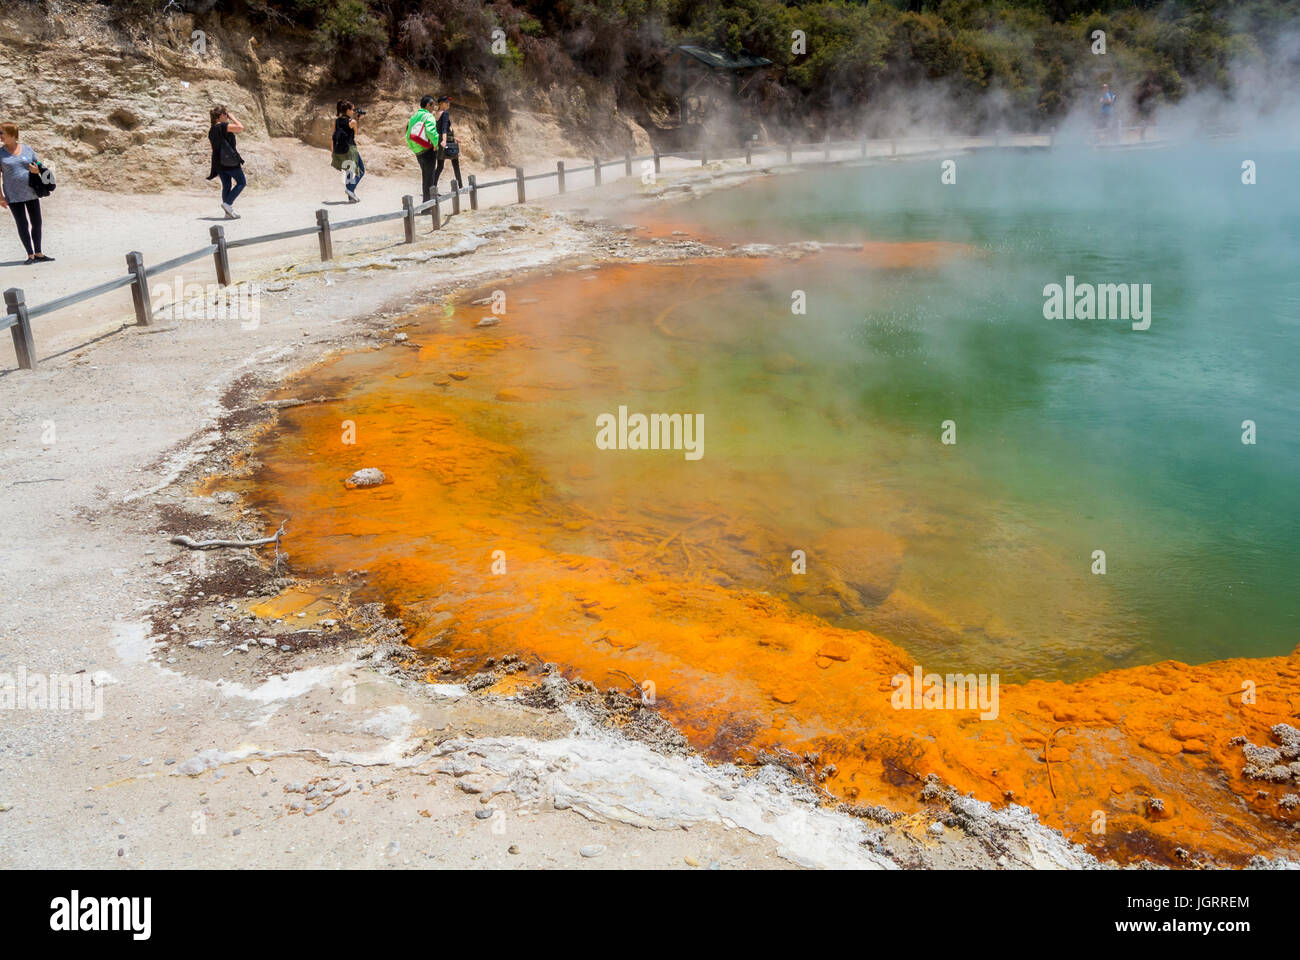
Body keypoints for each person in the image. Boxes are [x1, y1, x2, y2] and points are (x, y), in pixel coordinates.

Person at [0, 122, 52, 264]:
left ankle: (39, 253)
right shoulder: (0, 153)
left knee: (37, 222)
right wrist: (0, 197)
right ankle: (30, 255)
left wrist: (36, 170)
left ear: (12, 134)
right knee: (22, 224)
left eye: (1, 133)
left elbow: (39, 166)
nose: (0, 136)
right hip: (13, 194)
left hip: (31, 192)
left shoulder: (27, 149)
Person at [207, 105, 246, 219]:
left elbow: (212, 148)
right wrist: (233, 118)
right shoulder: (223, 126)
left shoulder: (211, 130)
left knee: (227, 185)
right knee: (241, 182)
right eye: (226, 114)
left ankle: (227, 213)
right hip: (229, 161)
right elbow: (240, 127)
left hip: (218, 162)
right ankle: (227, 204)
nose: (227, 116)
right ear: (220, 116)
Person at [406, 95, 440, 204]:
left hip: (418, 152)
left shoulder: (413, 117)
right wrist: (436, 145)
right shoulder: (428, 116)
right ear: (427, 105)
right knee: (429, 179)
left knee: (425, 177)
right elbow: (431, 132)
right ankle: (428, 207)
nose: (434, 107)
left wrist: (414, 149)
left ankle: (426, 204)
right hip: (428, 150)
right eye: (432, 105)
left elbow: (408, 135)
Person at [332, 100, 364, 202]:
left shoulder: (336, 121)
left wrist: (332, 151)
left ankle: (351, 197)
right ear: (348, 110)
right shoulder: (352, 122)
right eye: (352, 109)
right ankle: (350, 189)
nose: (353, 111)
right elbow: (355, 134)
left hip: (339, 150)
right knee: (361, 170)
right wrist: (357, 120)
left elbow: (332, 137)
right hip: (350, 150)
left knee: (348, 173)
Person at [432, 95, 463, 195]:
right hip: (446, 142)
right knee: (455, 164)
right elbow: (444, 128)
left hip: (439, 141)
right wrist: (445, 141)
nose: (448, 104)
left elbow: (438, 130)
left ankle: (433, 188)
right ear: (440, 103)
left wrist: (453, 138)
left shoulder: (435, 114)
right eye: (446, 102)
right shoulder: (445, 113)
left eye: (448, 102)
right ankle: (461, 187)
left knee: (440, 166)